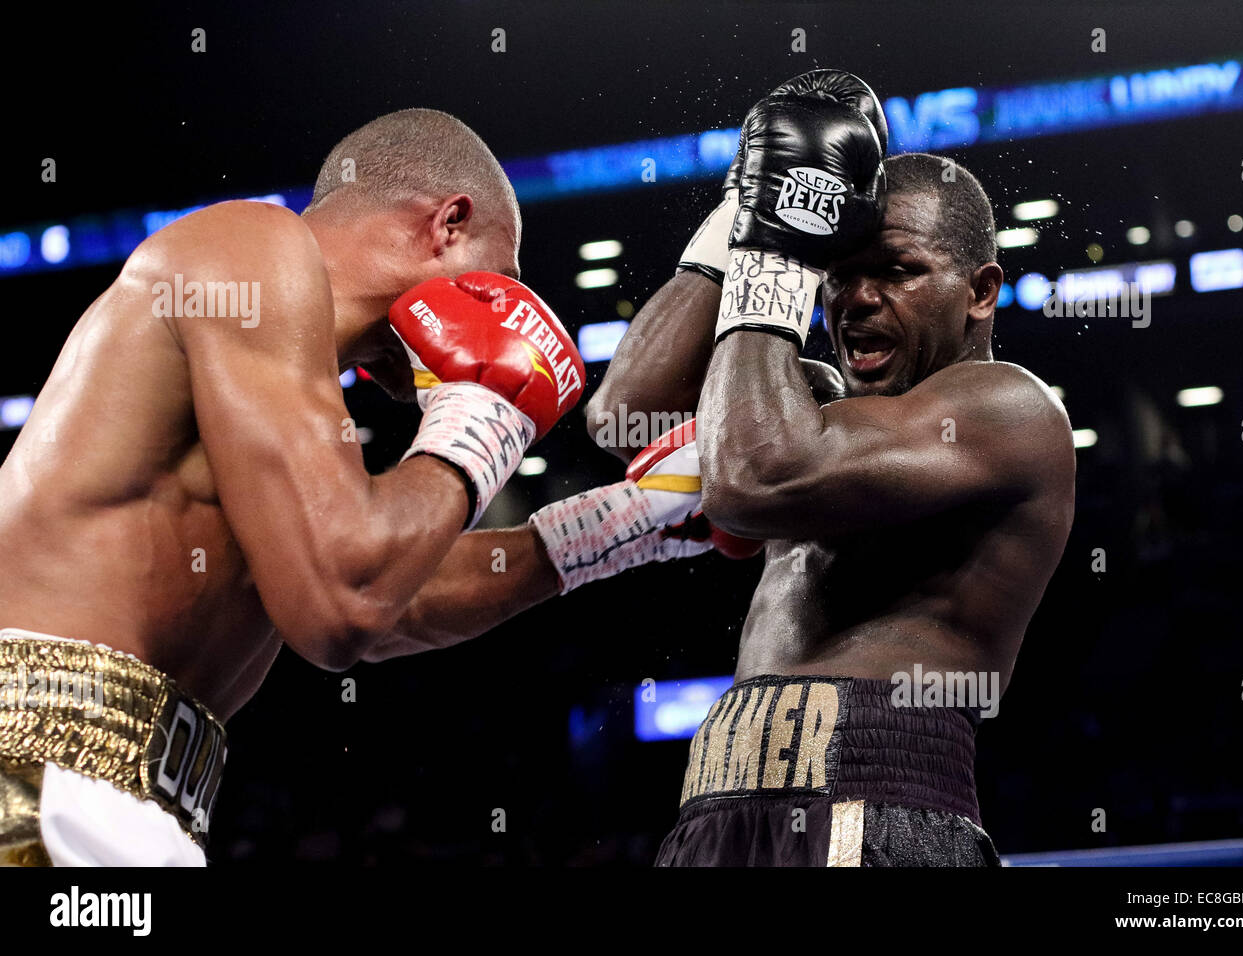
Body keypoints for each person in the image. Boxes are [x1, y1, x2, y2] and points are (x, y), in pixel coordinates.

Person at [0, 109, 714, 866]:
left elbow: (390, 602)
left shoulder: (288, 406)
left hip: (128, 800)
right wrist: (482, 418)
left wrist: (628, 520)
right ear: (449, 224)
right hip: (38, 766)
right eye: (495, 285)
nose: (497, 316)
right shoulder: (253, 249)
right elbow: (345, 598)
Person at [588, 72, 1076, 866]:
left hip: (878, 804)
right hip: (714, 806)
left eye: (896, 271)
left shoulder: (1006, 412)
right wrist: (742, 214)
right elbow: (623, 415)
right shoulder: (804, 403)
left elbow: (752, 478)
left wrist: (778, 249)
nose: (854, 298)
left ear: (981, 291)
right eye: (838, 271)